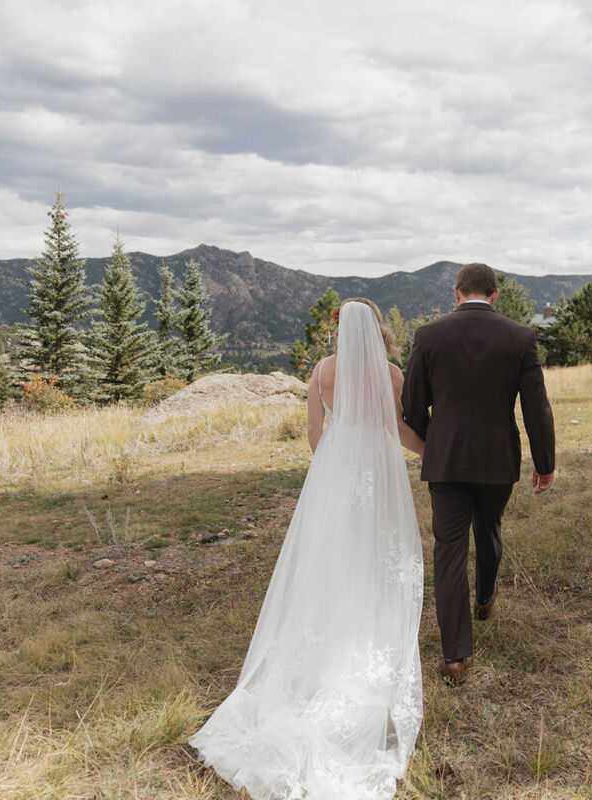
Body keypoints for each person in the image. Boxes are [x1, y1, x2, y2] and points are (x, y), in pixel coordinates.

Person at [188, 298, 426, 800]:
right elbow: (396, 429)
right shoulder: (391, 373)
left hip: (336, 475)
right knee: (377, 560)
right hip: (377, 478)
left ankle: (324, 645)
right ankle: (366, 639)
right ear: (378, 330)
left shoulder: (321, 372)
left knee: (329, 561)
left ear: (340, 330)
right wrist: (431, 453)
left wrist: (334, 470)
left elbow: (315, 435)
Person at [402, 263, 556, 686]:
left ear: (456, 293)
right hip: (496, 459)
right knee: (488, 530)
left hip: (446, 460)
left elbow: (412, 405)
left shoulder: (428, 336)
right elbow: (536, 407)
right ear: (495, 294)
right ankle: (485, 596)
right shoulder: (520, 337)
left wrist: (438, 437)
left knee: (448, 550)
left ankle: (455, 656)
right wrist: (545, 464)